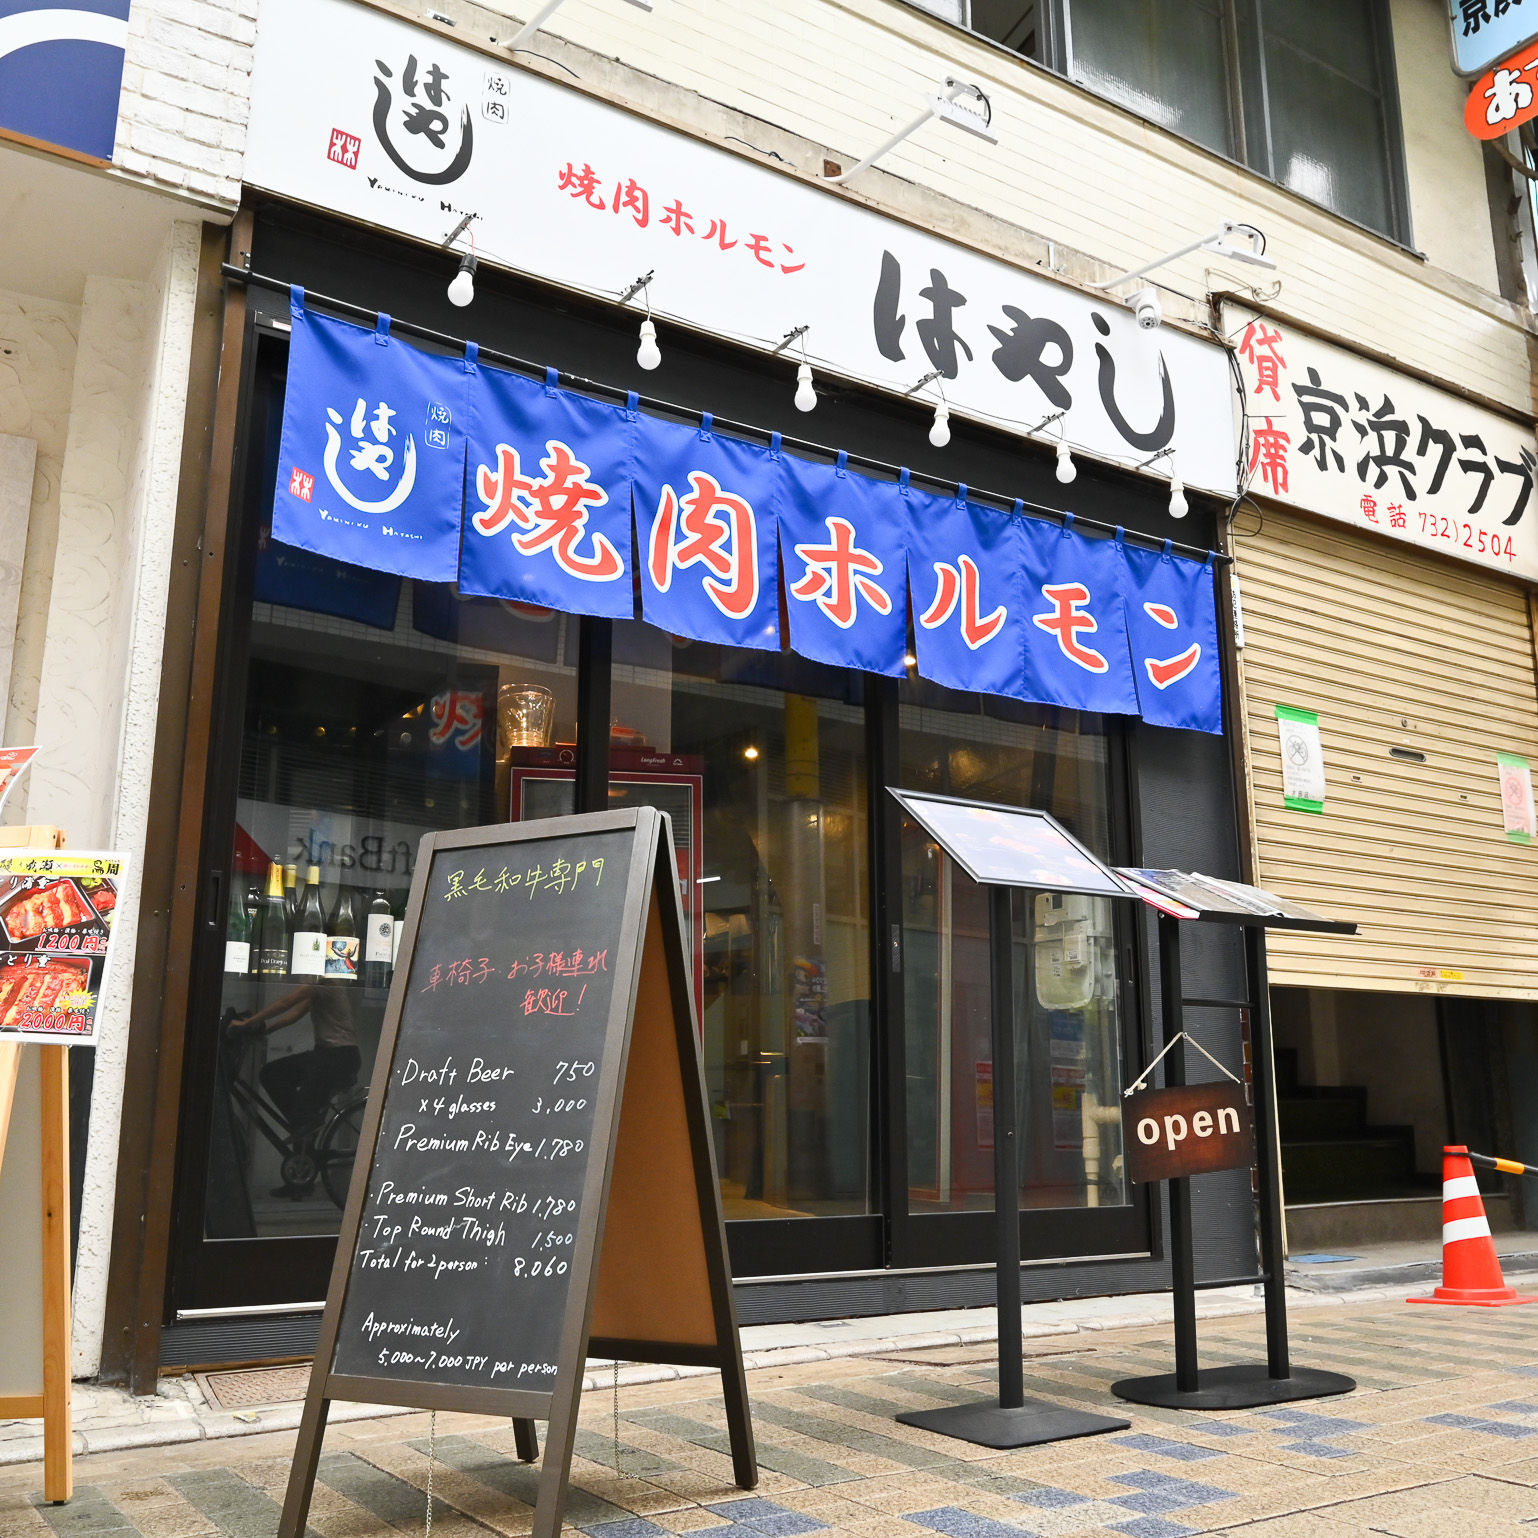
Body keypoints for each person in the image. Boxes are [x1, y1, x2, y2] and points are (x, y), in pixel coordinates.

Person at [227, 981, 360, 1196]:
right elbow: (297, 1012)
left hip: (336, 1057)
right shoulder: (322, 985)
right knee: (302, 1118)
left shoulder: (324, 979)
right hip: (331, 1057)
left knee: (272, 1075)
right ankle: (300, 1181)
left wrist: (248, 1022)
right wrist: (266, 1030)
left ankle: (306, 1123)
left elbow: (286, 1002)